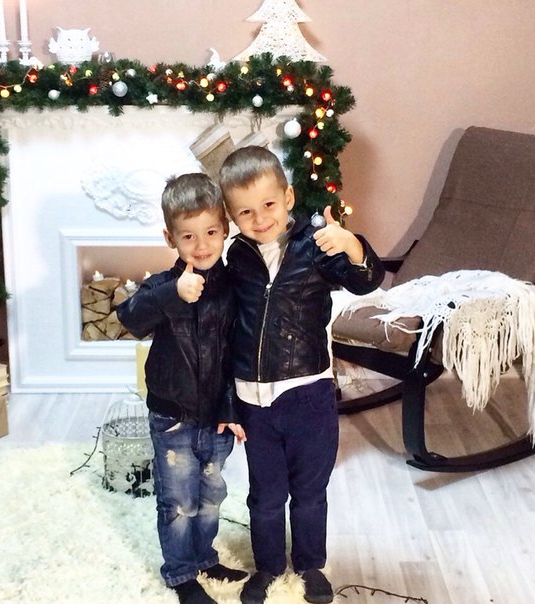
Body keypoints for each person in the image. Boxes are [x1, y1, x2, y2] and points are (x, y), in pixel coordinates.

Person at [219, 147, 385, 604]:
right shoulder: (236, 257)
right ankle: (269, 566)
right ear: (231, 215)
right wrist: (227, 400)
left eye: (268, 204)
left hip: (308, 394)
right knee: (265, 494)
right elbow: (227, 327)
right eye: (245, 212)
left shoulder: (316, 247)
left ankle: (310, 564)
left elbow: (366, 280)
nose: (260, 218)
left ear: (288, 198)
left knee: (310, 491)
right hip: (254, 401)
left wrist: (351, 244)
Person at [116, 173, 247, 604]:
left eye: (211, 232)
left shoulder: (235, 288)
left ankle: (204, 557)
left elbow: (238, 353)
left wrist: (232, 407)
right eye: (188, 236)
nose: (201, 244)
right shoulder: (161, 286)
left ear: (225, 230)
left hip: (218, 415)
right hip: (172, 416)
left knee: (211, 495)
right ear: (170, 238)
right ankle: (180, 572)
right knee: (177, 500)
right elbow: (130, 319)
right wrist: (173, 294)